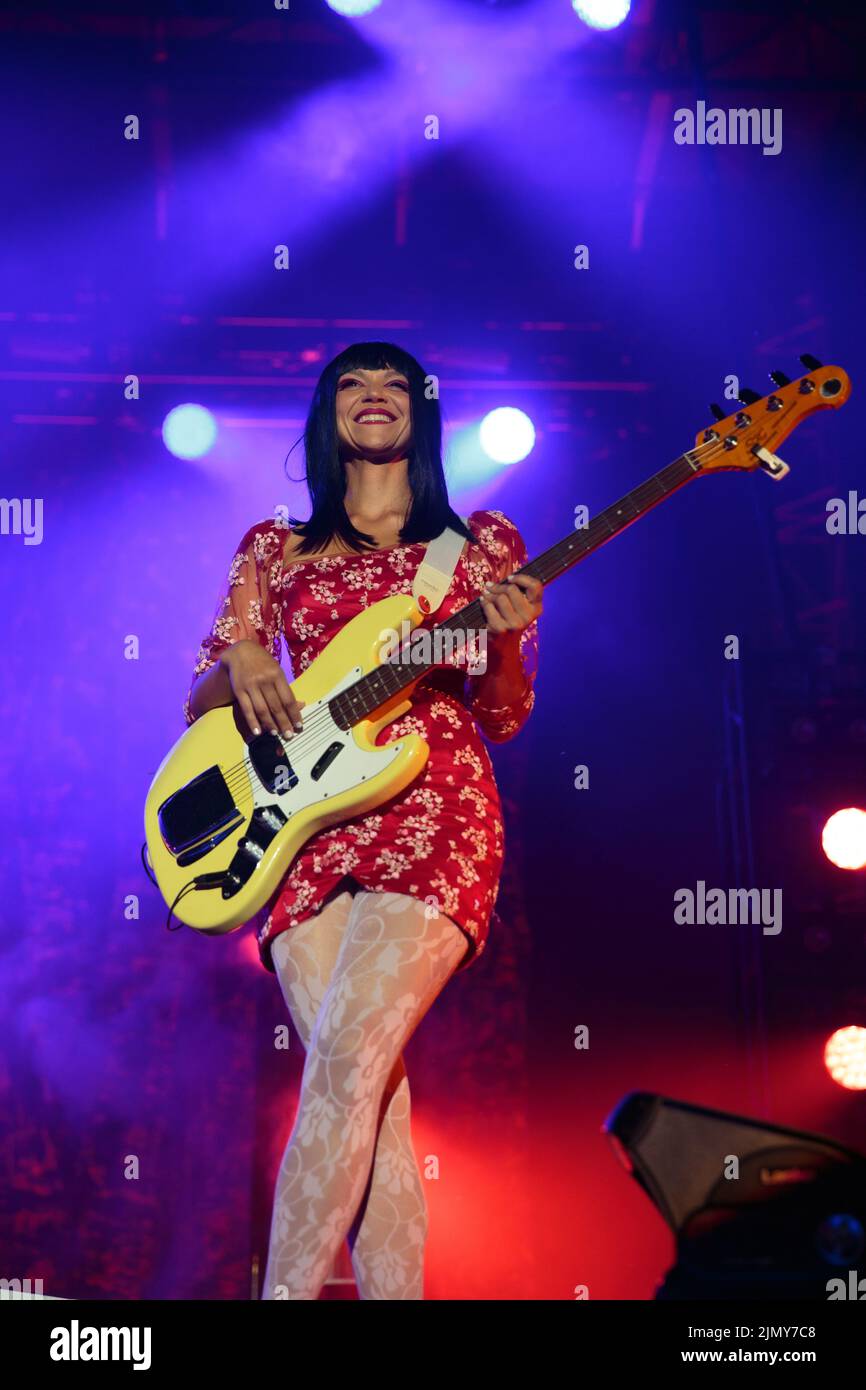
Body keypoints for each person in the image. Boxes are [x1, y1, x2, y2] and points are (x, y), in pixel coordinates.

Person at [184, 342, 542, 1299]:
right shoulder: (272, 548)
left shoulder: (480, 546)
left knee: (344, 1065)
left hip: (433, 809)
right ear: (326, 409)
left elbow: (502, 714)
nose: (376, 396)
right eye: (354, 382)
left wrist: (502, 639)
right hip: (302, 824)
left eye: (396, 385)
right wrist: (247, 662)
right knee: (369, 1097)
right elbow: (200, 698)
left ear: (422, 417)